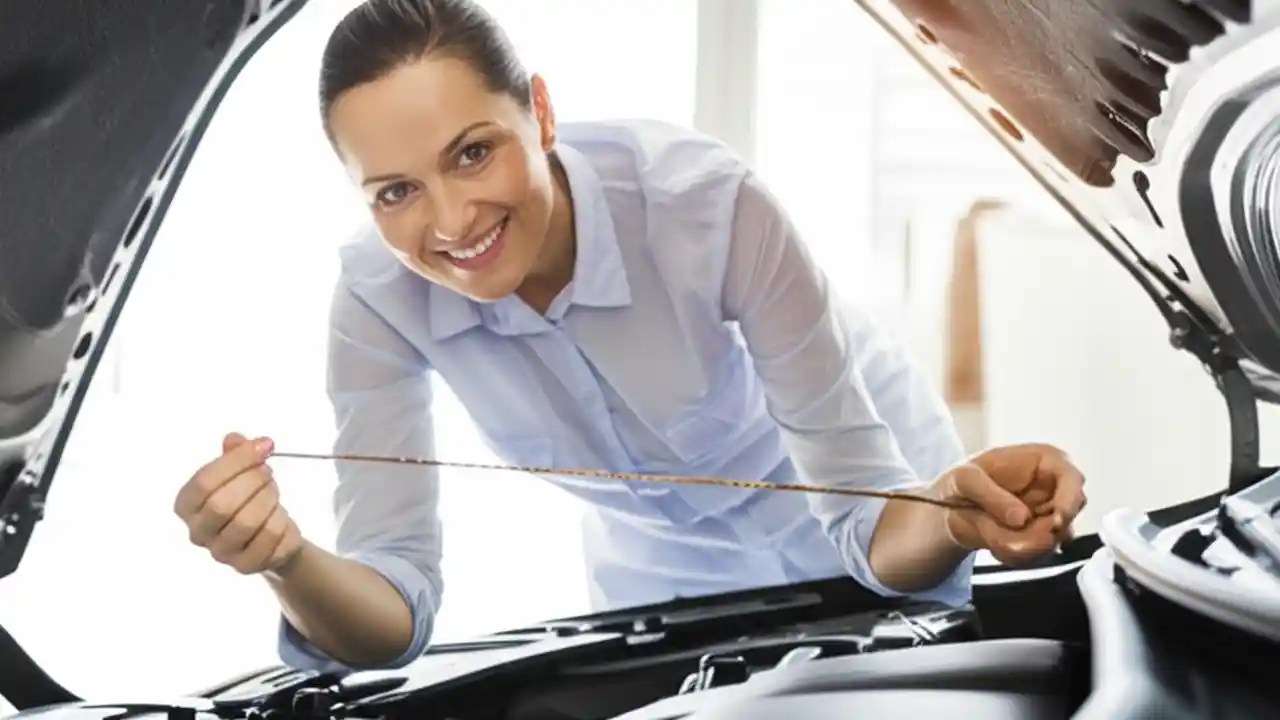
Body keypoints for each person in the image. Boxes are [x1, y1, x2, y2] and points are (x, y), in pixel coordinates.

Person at [172, 0, 1086, 672]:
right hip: (659, 570)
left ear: (541, 113)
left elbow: (860, 522)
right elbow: (395, 615)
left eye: (473, 151)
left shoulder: (706, 205)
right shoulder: (377, 298)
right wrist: (285, 560)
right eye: (395, 192)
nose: (450, 221)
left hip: (887, 504)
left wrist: (952, 518)